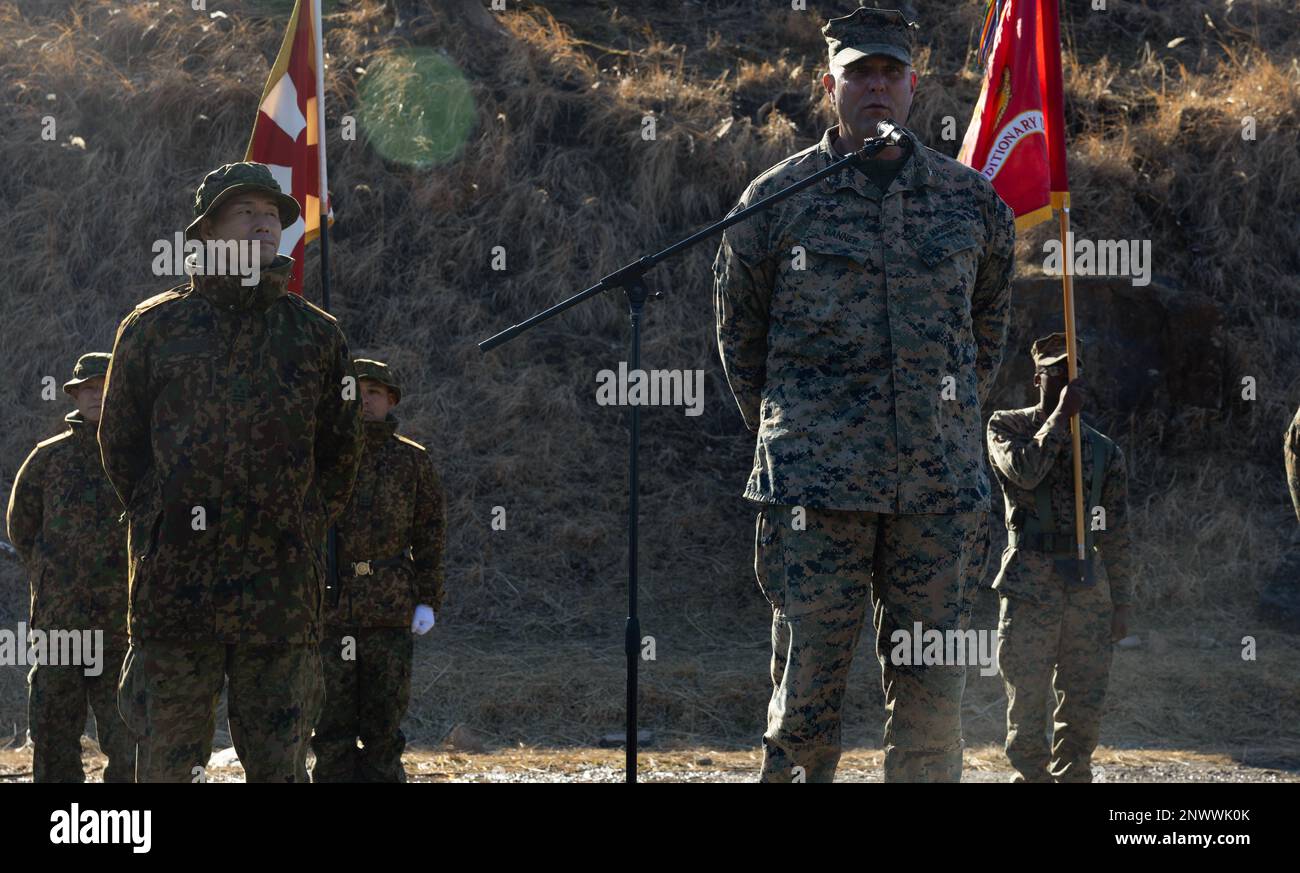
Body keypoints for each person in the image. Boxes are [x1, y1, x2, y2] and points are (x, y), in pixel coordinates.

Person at [713, 6, 1016, 782]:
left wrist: (940, 424)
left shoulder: (971, 203)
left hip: (937, 497)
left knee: (931, 710)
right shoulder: (773, 202)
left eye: (890, 73)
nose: (875, 87)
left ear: (914, 86)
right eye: (859, 73)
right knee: (804, 706)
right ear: (830, 85)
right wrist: (800, 433)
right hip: (817, 496)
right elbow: (740, 344)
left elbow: (987, 338)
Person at [98, 161, 364, 782]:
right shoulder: (153, 327)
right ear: (208, 231)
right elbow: (120, 442)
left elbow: (343, 448)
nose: (264, 226)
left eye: (272, 217)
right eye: (246, 213)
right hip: (175, 593)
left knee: (279, 765)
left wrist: (301, 520)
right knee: (165, 761)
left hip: (281, 594)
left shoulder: (317, 335)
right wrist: (156, 514)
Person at [986, 333, 1133, 782]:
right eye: (1057, 373)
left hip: (1087, 587)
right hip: (1030, 585)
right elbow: (1025, 473)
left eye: (1075, 375)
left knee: (1084, 696)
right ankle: (1031, 777)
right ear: (1037, 379)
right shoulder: (1006, 426)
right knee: (1027, 696)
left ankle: (1074, 776)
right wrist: (1059, 419)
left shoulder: (1104, 450)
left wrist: (1122, 600)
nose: (1068, 382)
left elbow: (1117, 533)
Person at [309, 359, 445, 782]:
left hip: (389, 608)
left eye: (374, 393)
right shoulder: (324, 458)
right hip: (333, 607)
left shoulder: (412, 462)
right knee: (331, 729)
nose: (364, 401)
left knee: (383, 728)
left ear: (390, 400)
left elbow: (430, 535)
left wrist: (427, 599)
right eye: (356, 391)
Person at [6, 353, 135, 782]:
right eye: (88, 389)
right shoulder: (48, 459)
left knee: (129, 736)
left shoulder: (138, 458)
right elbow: (21, 527)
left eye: (104, 386)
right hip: (60, 627)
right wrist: (50, 573)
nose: (97, 395)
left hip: (122, 627)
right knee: (54, 736)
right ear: (75, 396)